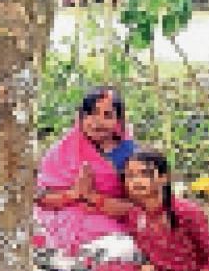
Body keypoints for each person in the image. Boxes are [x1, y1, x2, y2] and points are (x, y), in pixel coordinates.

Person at [35, 87, 137, 256]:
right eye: (91, 113)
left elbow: (135, 209)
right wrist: (74, 194)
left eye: (107, 115)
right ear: (81, 117)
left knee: (123, 249)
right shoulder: (63, 150)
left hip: (108, 223)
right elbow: (41, 197)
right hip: (56, 218)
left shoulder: (130, 155)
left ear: (119, 121)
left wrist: (92, 197)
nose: (97, 122)